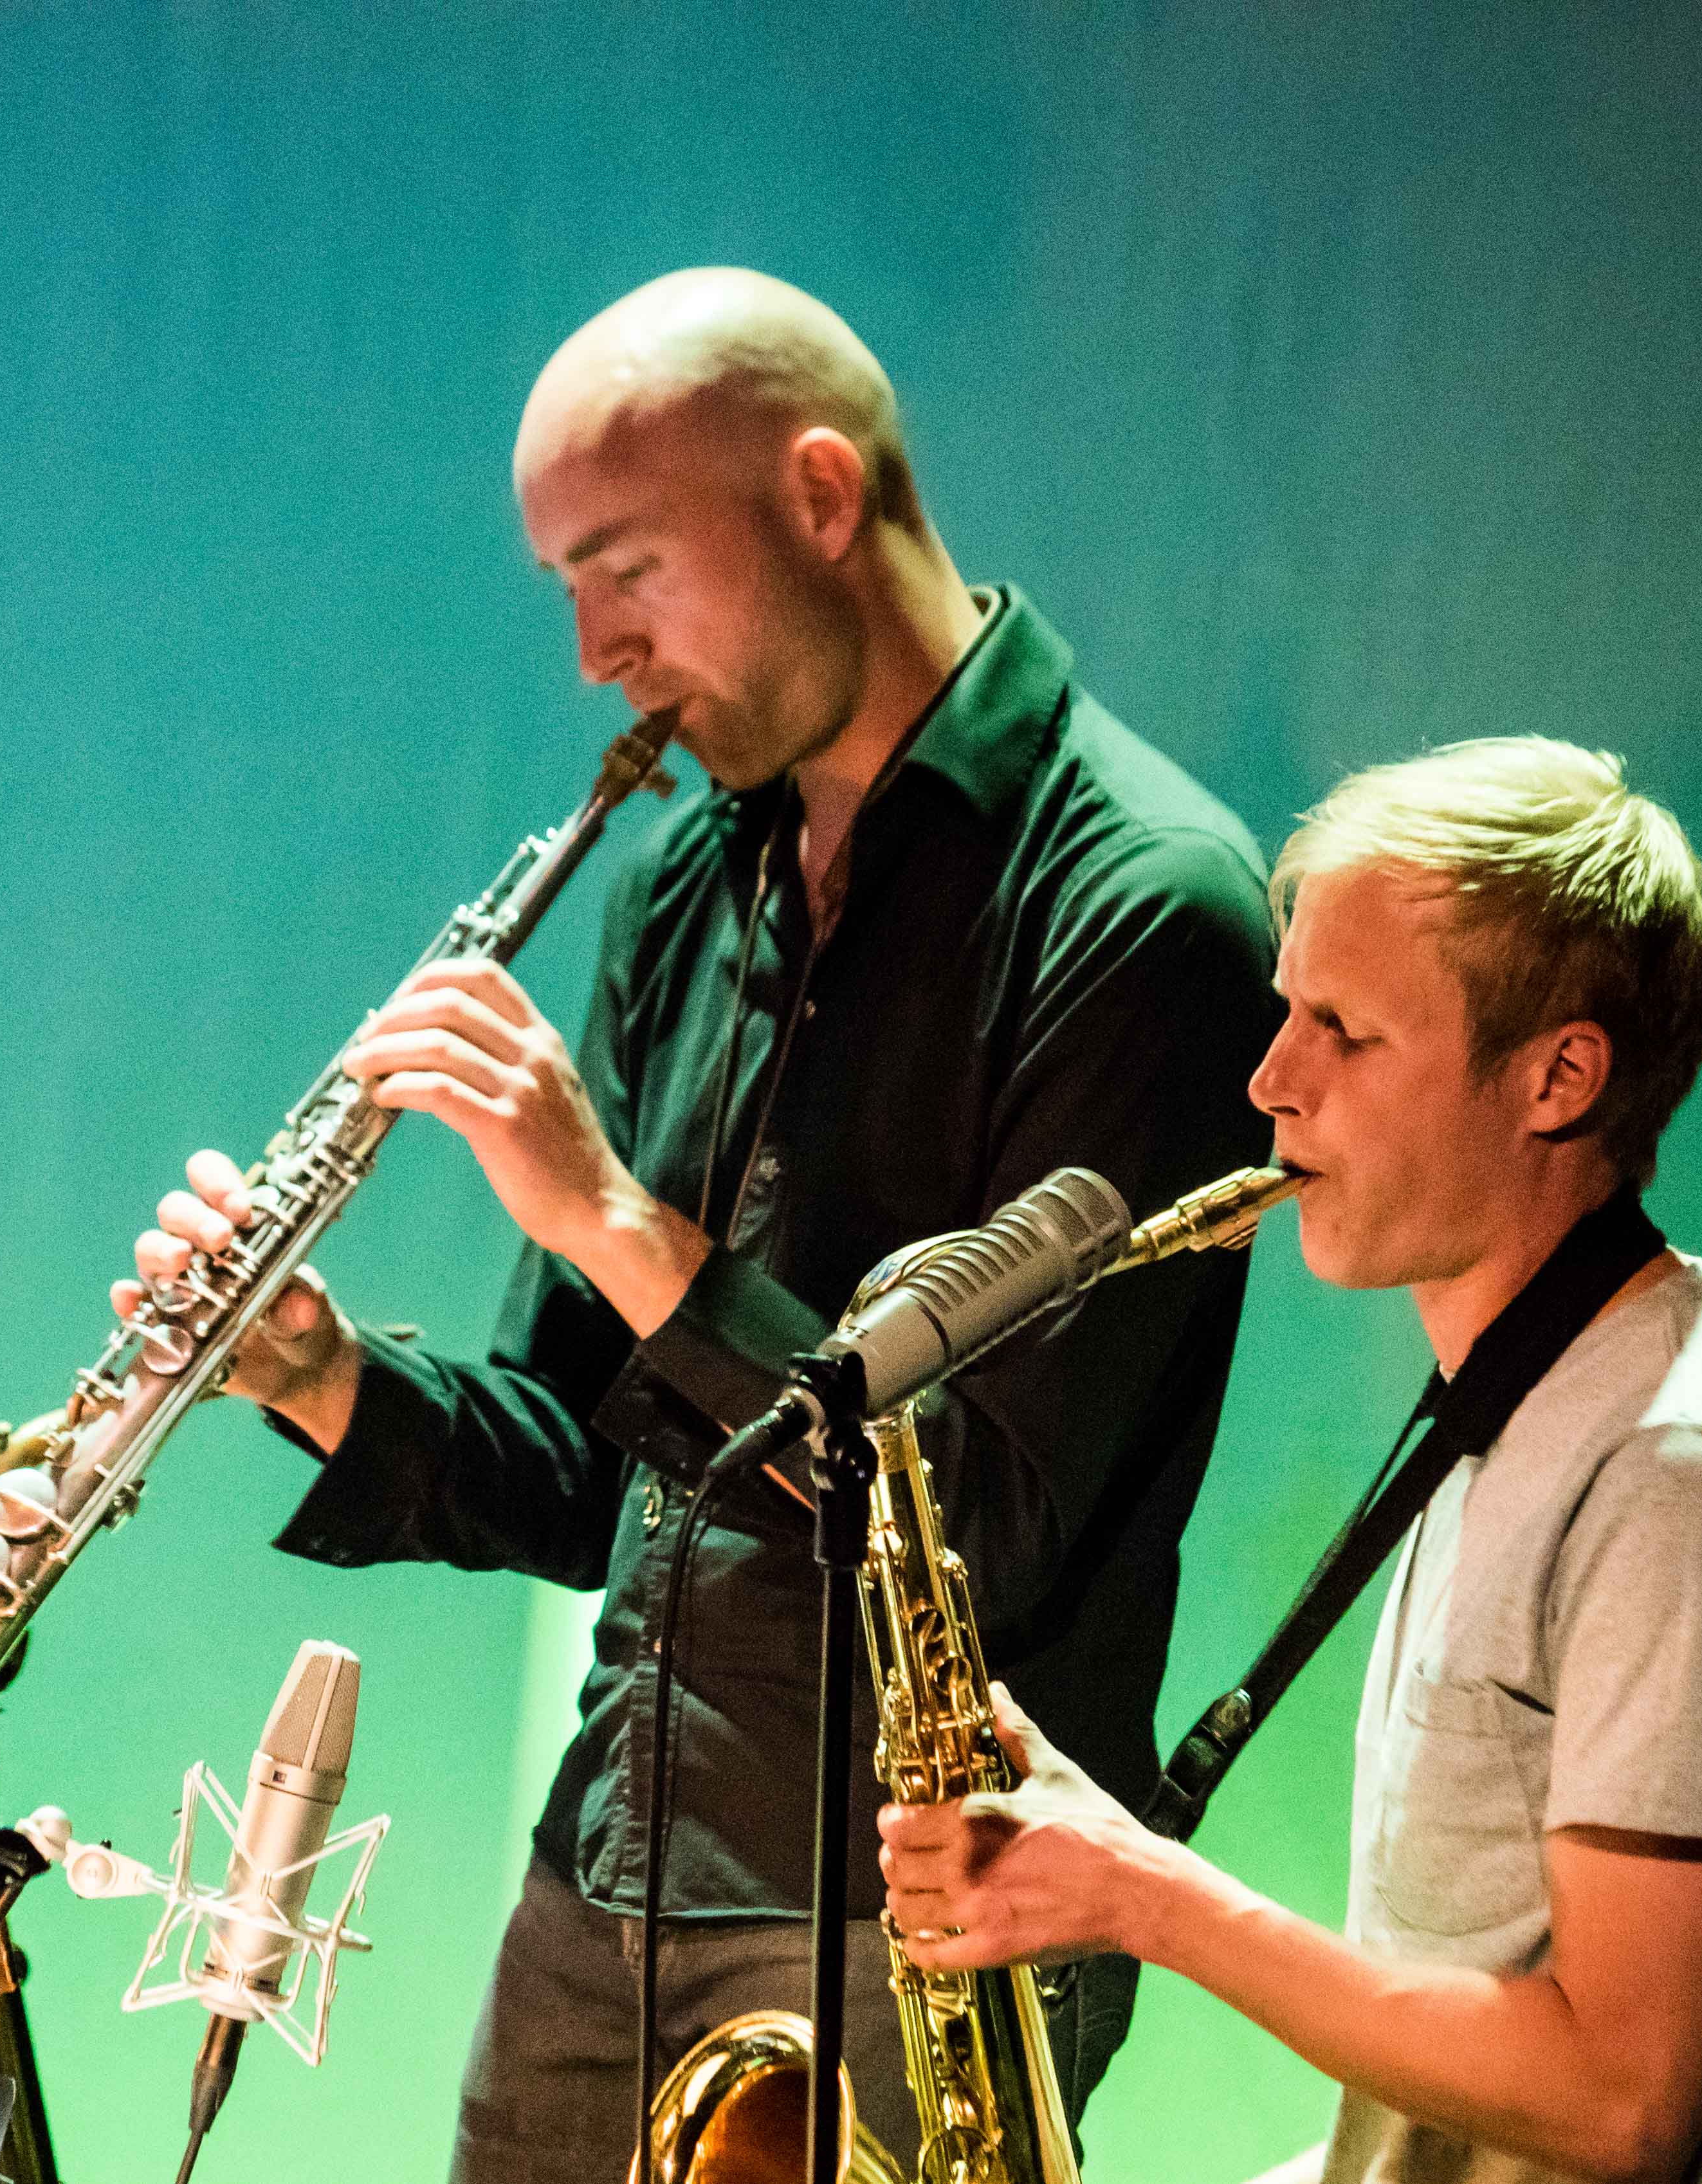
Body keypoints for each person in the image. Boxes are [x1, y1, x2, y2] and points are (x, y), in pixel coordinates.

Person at [127, 267, 1279, 2178]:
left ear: (820, 496)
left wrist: (616, 1219)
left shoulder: (1143, 905)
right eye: (565, 587)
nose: (595, 652)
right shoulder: (686, 888)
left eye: (628, 570)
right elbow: (597, 1470)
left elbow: (982, 1533)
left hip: (913, 1924)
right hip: (612, 1873)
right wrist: (322, 1377)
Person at [878, 737, 1702, 2183]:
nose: (1270, 1081)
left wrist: (1143, 1895)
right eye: (1285, 1013)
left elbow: (1618, 2099)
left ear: (1557, 1078)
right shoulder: (1527, 1411)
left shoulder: (1683, 1474)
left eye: (1342, 1032)